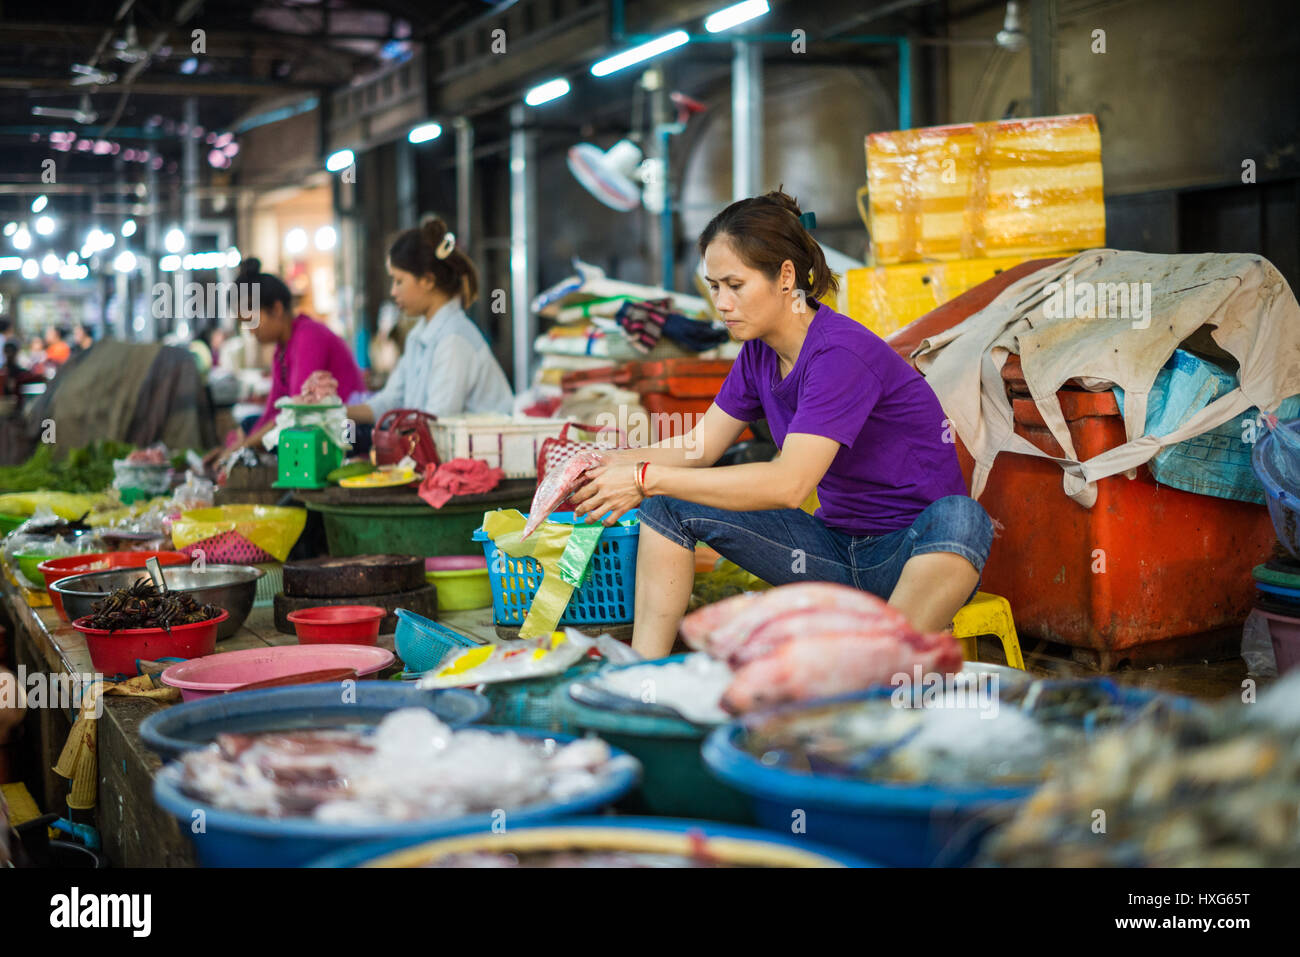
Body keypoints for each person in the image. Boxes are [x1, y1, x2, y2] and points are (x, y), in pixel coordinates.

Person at [571, 190, 995, 659]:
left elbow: (789, 483)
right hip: (832, 551)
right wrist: (608, 463)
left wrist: (644, 478)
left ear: (786, 277)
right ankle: (643, 675)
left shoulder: (839, 354)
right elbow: (699, 446)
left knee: (962, 516)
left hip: (909, 559)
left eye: (735, 284)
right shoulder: (758, 353)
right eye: (714, 287)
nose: (722, 303)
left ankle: (880, 663)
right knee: (667, 505)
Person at [346, 217, 513, 427]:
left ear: (427, 281)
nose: (393, 291)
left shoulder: (453, 340)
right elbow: (389, 402)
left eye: (399, 281)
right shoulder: (419, 336)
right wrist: (333, 413)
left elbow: (435, 423)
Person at [203, 259, 366, 465]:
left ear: (277, 309)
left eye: (251, 320)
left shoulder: (309, 337)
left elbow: (295, 412)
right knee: (249, 425)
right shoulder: (282, 349)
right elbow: (273, 410)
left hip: (348, 431)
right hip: (317, 428)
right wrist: (234, 447)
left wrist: (243, 447)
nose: (250, 330)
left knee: (278, 437)